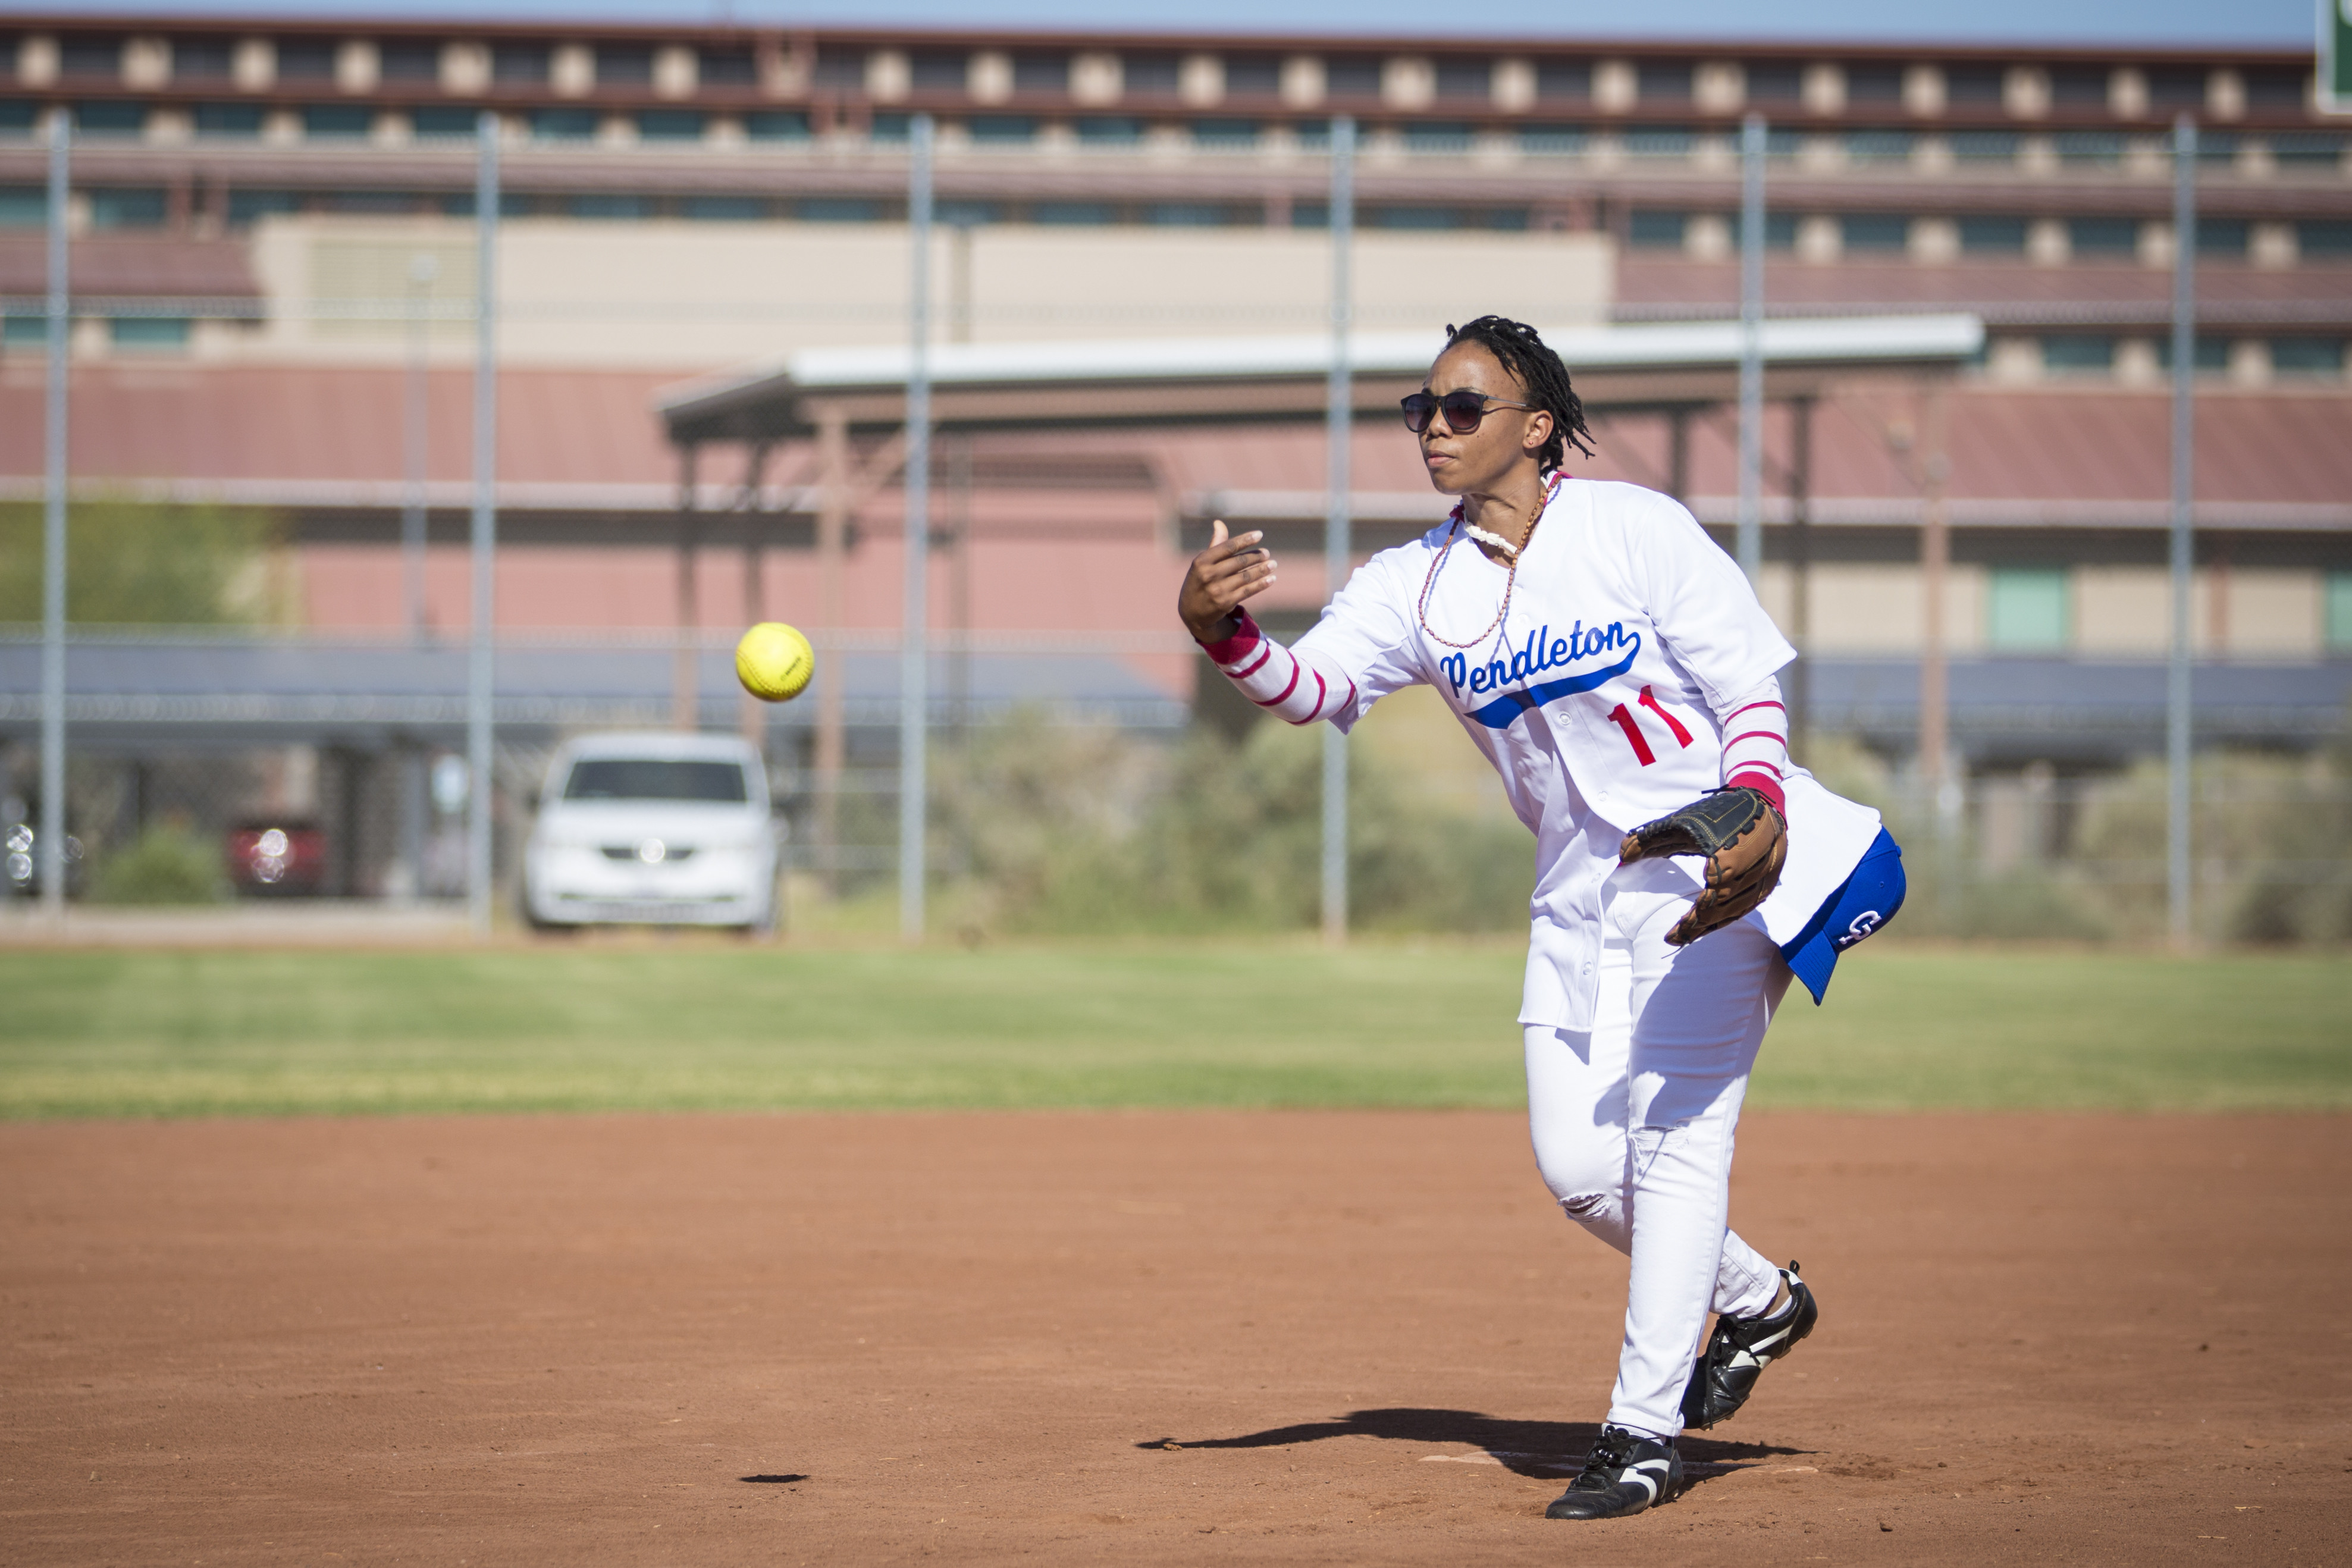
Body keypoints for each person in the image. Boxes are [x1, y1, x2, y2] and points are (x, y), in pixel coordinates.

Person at [1175, 315, 1906, 1522]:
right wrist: (1223, 630)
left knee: (1676, 1143)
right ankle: (1764, 1302)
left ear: (1536, 423)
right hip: (1582, 898)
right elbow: (1315, 689)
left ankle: (1640, 1434)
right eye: (1424, 410)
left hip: (1721, 866)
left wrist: (1762, 805)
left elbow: (1744, 684)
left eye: (1465, 407)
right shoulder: (1416, 582)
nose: (1436, 429)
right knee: (1578, 1167)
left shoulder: (1634, 527)